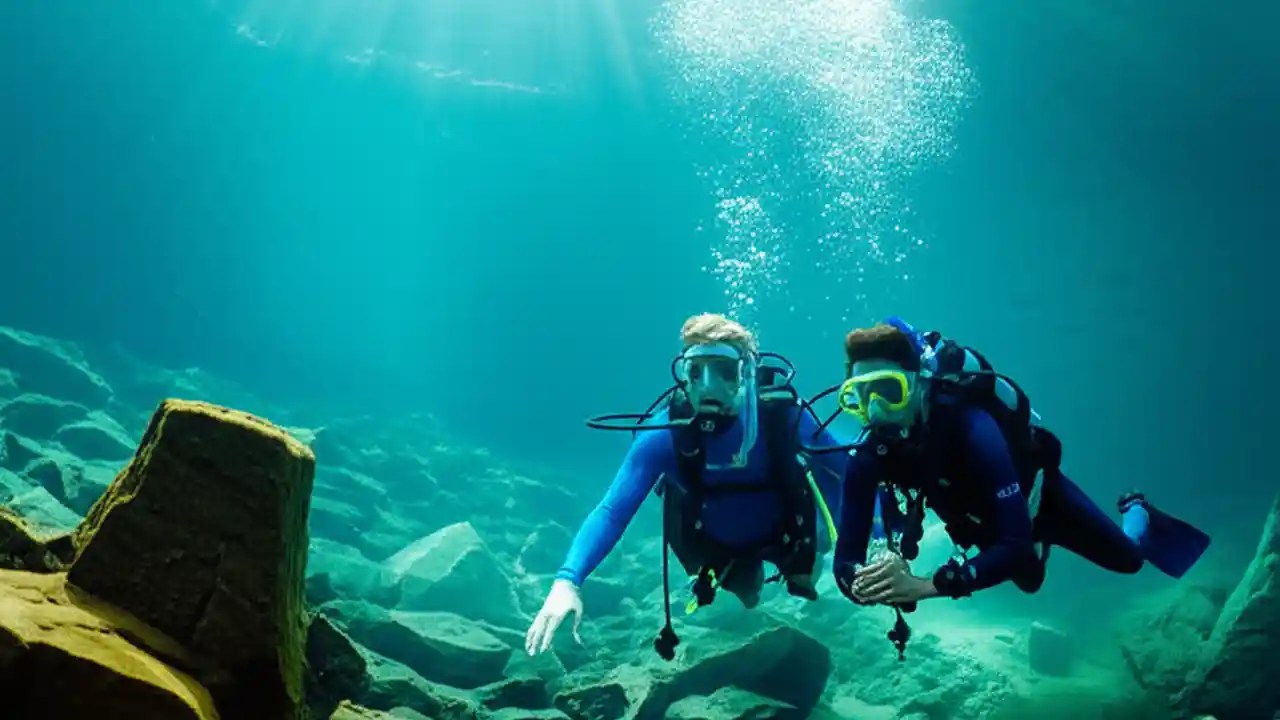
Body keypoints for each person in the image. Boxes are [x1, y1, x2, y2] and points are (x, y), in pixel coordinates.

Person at [524, 313, 886, 660]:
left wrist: (879, 538)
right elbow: (612, 511)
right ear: (683, 374)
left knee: (807, 576)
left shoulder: (783, 416)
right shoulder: (666, 434)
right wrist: (567, 582)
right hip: (715, 545)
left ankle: (804, 561)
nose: (708, 387)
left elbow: (850, 471)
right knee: (745, 598)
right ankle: (743, 580)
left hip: (788, 533)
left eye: (724, 371)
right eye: (696, 371)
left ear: (746, 373)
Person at [829, 318, 1210, 620]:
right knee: (1030, 581)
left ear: (920, 384)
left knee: (1129, 560)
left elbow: (1014, 545)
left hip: (1040, 498)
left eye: (889, 391)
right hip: (978, 518)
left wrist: (925, 586)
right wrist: (868, 583)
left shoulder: (973, 428)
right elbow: (844, 561)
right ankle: (1037, 550)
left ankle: (1136, 508)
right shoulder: (869, 455)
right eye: (861, 395)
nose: (876, 409)